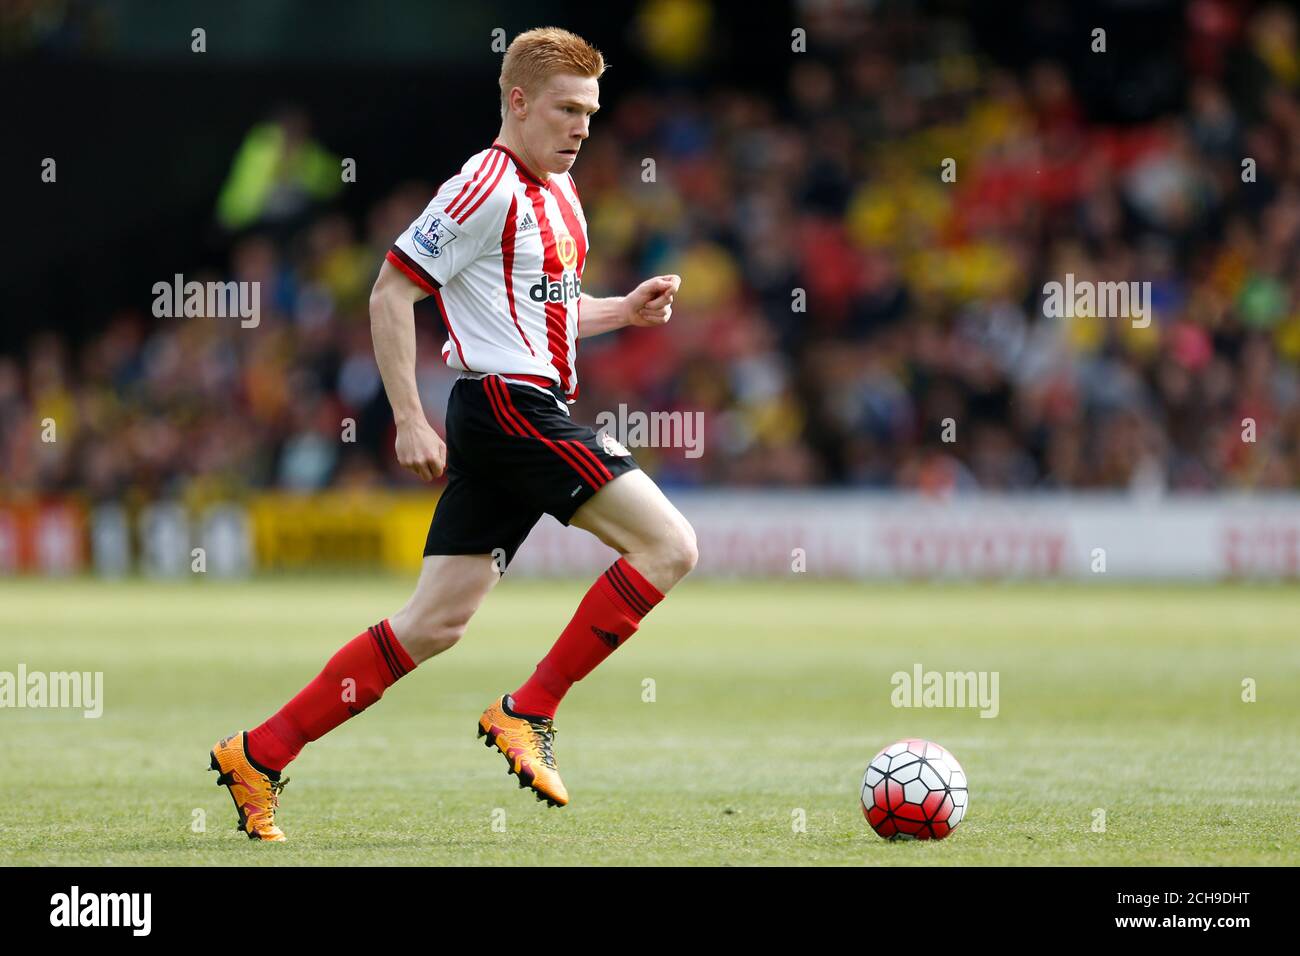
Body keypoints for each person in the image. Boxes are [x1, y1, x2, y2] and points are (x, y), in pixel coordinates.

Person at [209, 26, 697, 840]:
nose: (582, 127)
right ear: (518, 101)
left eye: (591, 112)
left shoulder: (561, 193)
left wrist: (622, 310)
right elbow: (390, 293)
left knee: (434, 623)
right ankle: (528, 710)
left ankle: (259, 752)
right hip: (509, 407)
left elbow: (545, 311)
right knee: (669, 545)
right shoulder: (485, 184)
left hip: (515, 406)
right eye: (567, 109)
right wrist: (407, 415)